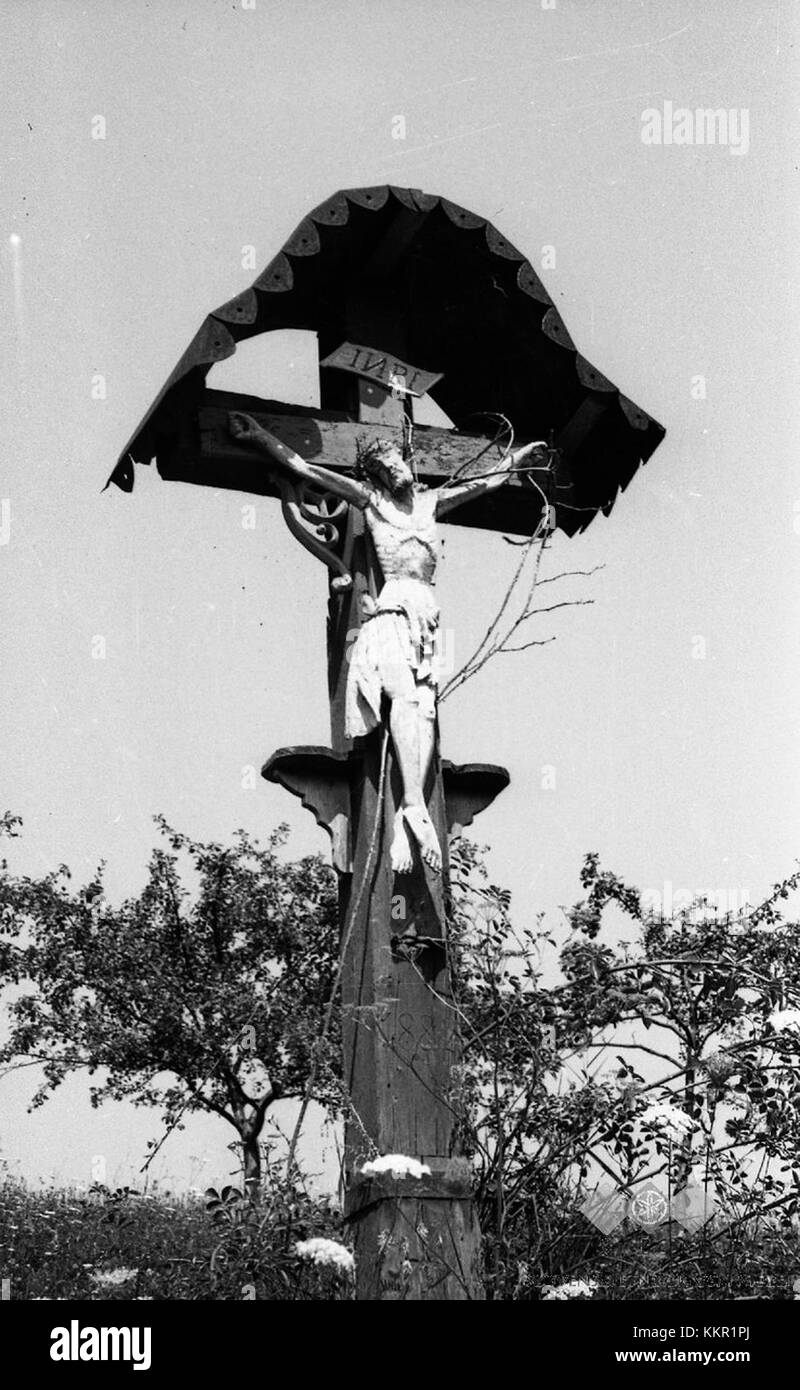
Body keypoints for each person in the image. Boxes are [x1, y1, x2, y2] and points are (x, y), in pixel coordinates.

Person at [229, 411, 544, 874]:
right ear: (375, 475)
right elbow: (307, 469)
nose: (395, 470)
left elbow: (484, 485)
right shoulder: (372, 502)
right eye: (384, 467)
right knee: (401, 699)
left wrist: (515, 459)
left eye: (397, 462)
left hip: (427, 613)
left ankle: (410, 809)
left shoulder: (431, 502)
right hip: (393, 606)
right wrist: (260, 437)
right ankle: (413, 805)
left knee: (425, 707)